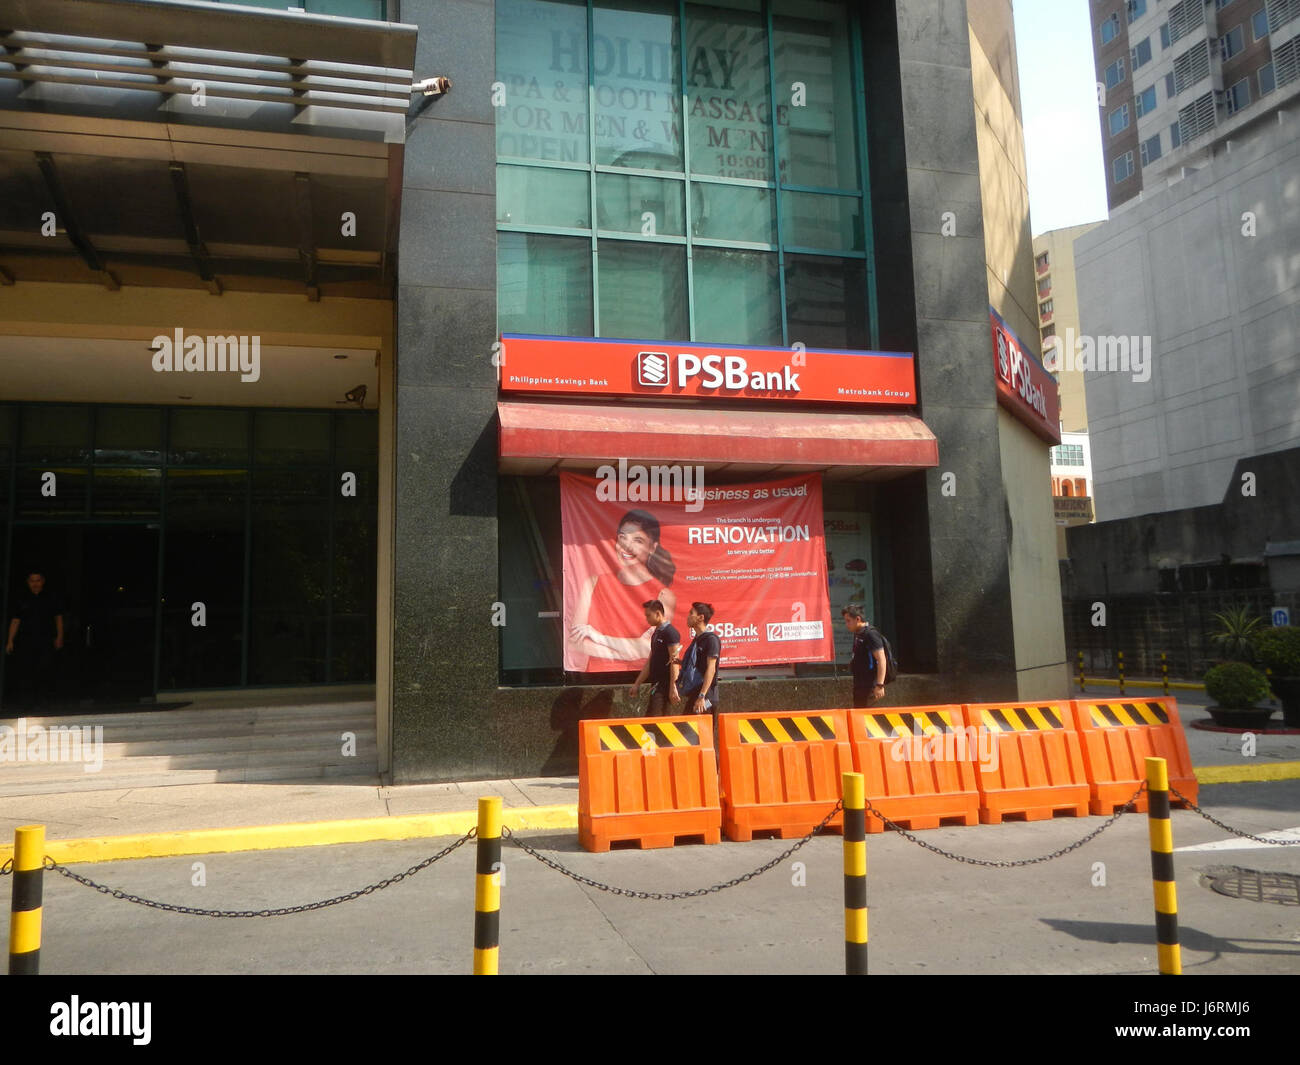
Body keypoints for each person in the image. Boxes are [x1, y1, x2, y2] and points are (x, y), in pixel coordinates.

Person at [568, 509, 677, 672]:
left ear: (652, 547)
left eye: (638, 540)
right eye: (622, 537)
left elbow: (650, 648)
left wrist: (598, 638)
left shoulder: (664, 595)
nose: (626, 546)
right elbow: (575, 641)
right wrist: (632, 651)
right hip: (598, 674)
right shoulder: (593, 582)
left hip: (641, 675)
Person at [5, 569, 64, 710]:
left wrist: (60, 636)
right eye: (32, 581)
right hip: (26, 640)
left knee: (45, 669)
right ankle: (27, 701)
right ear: (28, 582)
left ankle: (44, 700)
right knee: (26, 670)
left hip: (46, 640)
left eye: (37, 580)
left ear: (42, 581)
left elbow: (58, 619)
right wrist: (10, 640)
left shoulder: (51, 598)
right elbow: (15, 621)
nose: (35, 584)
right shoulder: (22, 599)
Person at [629, 599, 681, 715]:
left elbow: (675, 661)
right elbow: (650, 661)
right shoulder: (656, 633)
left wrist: (673, 686)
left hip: (666, 686)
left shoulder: (670, 633)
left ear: (658, 614)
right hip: (656, 685)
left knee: (658, 720)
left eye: (648, 615)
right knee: (654, 719)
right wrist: (637, 684)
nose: (646, 619)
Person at [679, 601, 721, 735]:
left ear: (701, 617)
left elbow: (711, 669)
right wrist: (680, 662)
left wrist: (702, 696)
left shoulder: (711, 640)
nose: (688, 616)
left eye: (691, 613)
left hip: (706, 698)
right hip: (695, 695)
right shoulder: (697, 640)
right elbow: (697, 666)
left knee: (700, 736)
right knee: (689, 734)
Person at [842, 604, 886, 708]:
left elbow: (881, 660)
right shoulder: (858, 634)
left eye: (848, 621)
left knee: (867, 719)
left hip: (870, 687)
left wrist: (879, 685)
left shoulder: (871, 634)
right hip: (859, 684)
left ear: (858, 619)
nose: (846, 624)